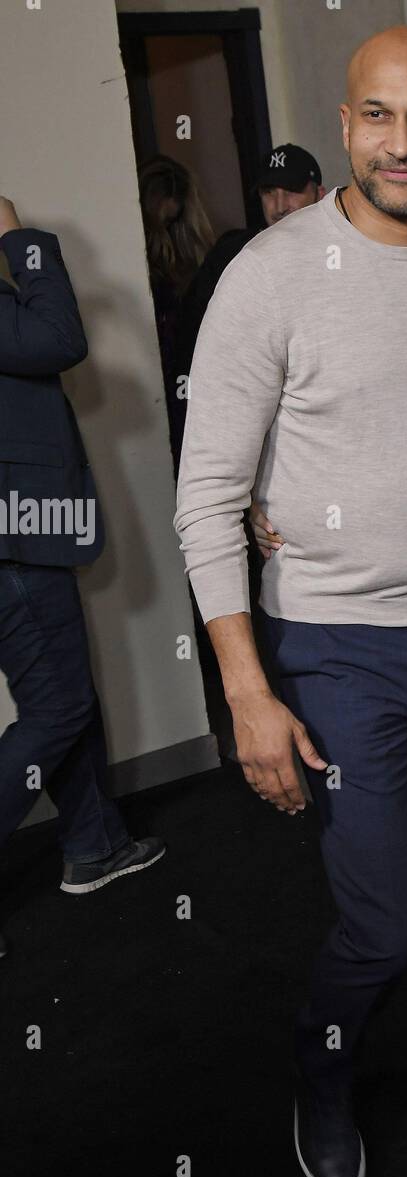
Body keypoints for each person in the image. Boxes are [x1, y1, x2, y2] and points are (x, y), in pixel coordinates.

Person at [173, 26, 407, 1177]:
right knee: (387, 917)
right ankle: (322, 1075)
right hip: (334, 648)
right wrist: (246, 689)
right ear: (344, 122)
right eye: (379, 116)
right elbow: (207, 496)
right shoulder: (270, 273)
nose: (402, 141)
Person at [0, 195, 166, 958]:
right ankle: (94, 843)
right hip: (15, 540)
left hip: (22, 535)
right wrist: (19, 237)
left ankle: (95, 845)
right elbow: (59, 337)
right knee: (58, 706)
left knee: (61, 693)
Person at [172, 144, 327, 466]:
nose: (280, 205)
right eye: (270, 192)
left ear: (320, 194)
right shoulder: (234, 254)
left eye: (293, 191)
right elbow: (192, 343)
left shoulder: (339, 257)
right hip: (250, 427)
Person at [137, 155, 215, 461]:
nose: (164, 233)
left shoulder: (189, 265)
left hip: (186, 384)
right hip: (158, 385)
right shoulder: (142, 268)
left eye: (171, 222)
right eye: (161, 222)